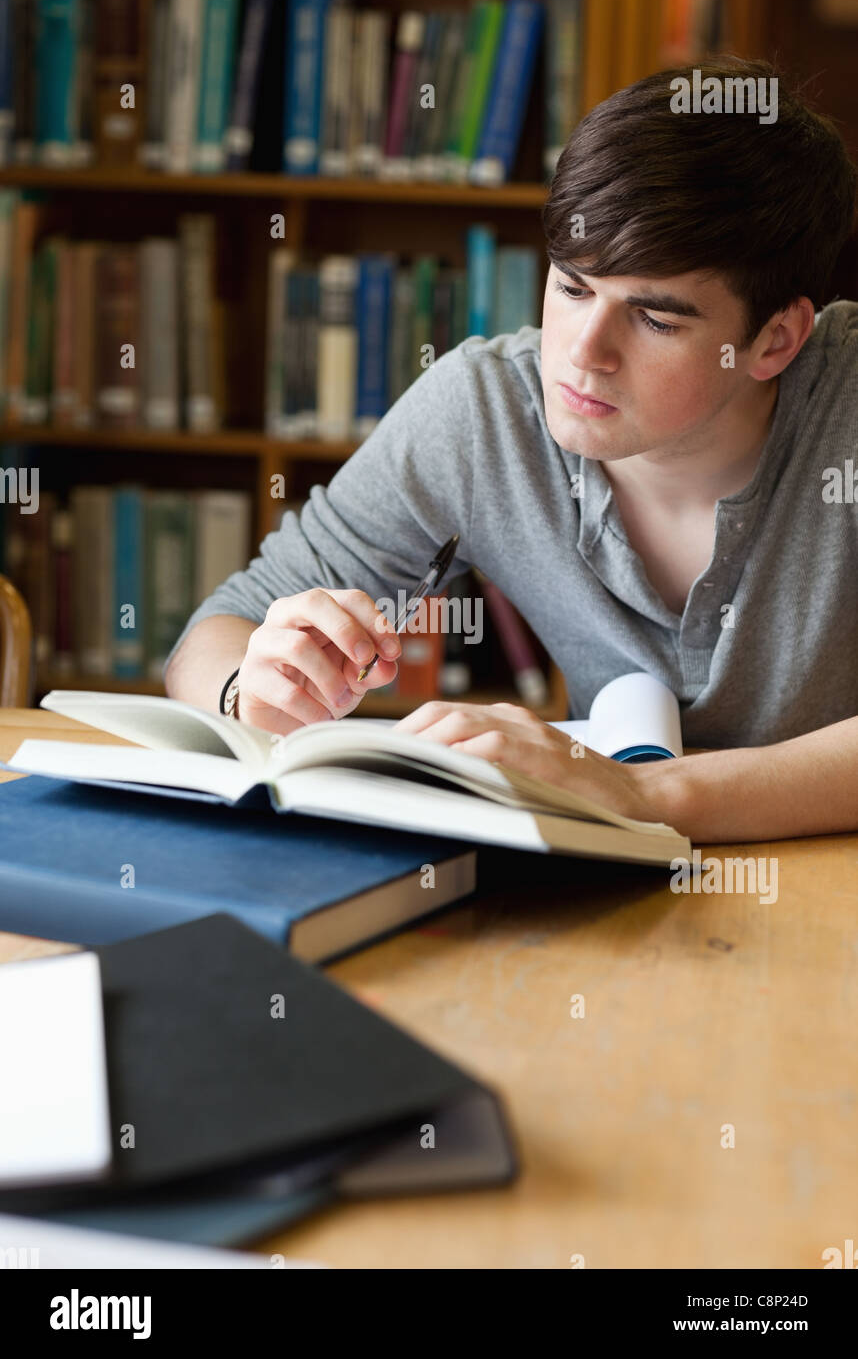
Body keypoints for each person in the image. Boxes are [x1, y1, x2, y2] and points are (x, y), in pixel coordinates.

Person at [165, 56, 858, 844]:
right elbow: (218, 629)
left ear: (774, 340)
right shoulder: (483, 407)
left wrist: (643, 796)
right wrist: (249, 688)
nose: (582, 353)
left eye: (656, 320)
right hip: (605, 900)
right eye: (571, 286)